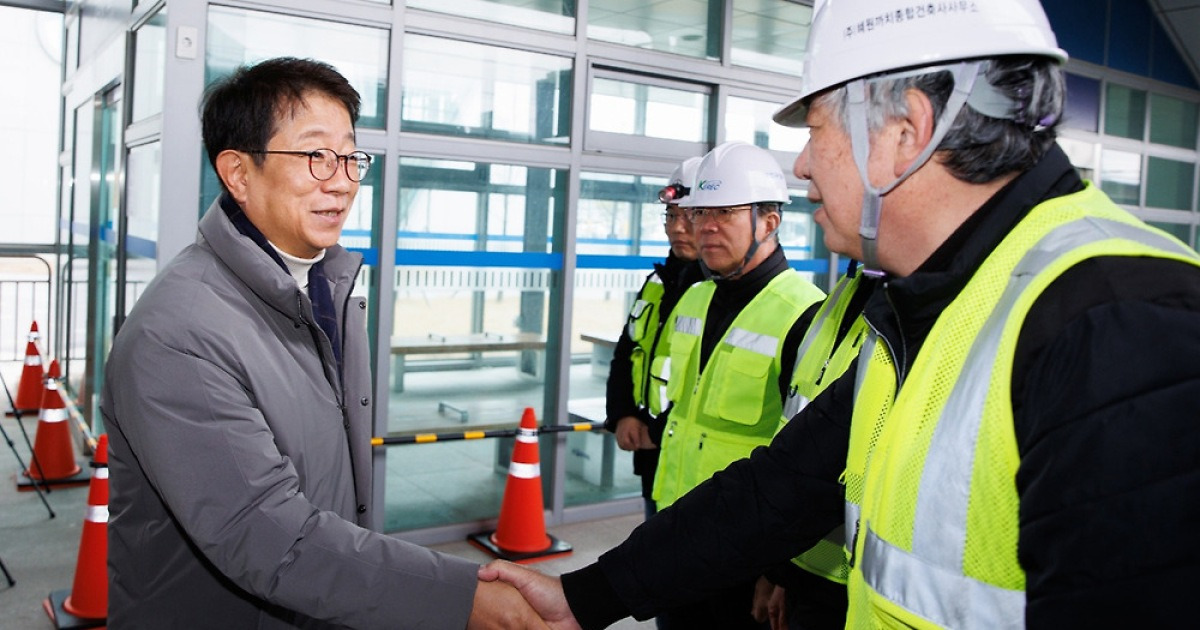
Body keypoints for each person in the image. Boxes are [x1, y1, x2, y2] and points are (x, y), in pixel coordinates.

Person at [479, 1, 1200, 628]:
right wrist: (586, 597)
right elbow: (780, 490)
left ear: (905, 133)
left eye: (817, 127)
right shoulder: (936, 302)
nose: (800, 166)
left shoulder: (1121, 322)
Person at [101, 57, 546, 629]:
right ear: (238, 174)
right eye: (315, 156)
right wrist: (462, 601)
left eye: (349, 156)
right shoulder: (180, 333)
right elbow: (264, 534)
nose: (340, 179)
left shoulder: (322, 289)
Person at [649, 141, 825, 629]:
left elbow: (809, 462)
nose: (704, 227)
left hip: (745, 555)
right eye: (700, 212)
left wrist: (780, 569)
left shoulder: (804, 313)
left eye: (724, 213)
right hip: (674, 532)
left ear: (769, 221)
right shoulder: (695, 298)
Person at [604, 157, 704, 520]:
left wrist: (659, 432)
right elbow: (627, 350)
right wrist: (623, 414)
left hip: (697, 462)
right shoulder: (658, 283)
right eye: (671, 217)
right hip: (653, 456)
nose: (677, 228)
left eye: (689, 216)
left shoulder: (724, 292)